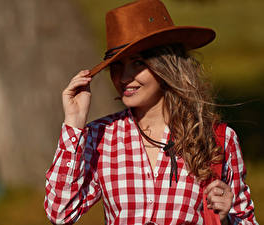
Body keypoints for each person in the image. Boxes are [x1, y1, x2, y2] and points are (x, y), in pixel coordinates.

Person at [44, 0, 258, 224]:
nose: (125, 77)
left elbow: (245, 219)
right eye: (117, 66)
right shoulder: (101, 136)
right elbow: (59, 213)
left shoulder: (217, 139)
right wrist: (74, 123)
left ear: (165, 65)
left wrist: (226, 218)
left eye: (137, 63)